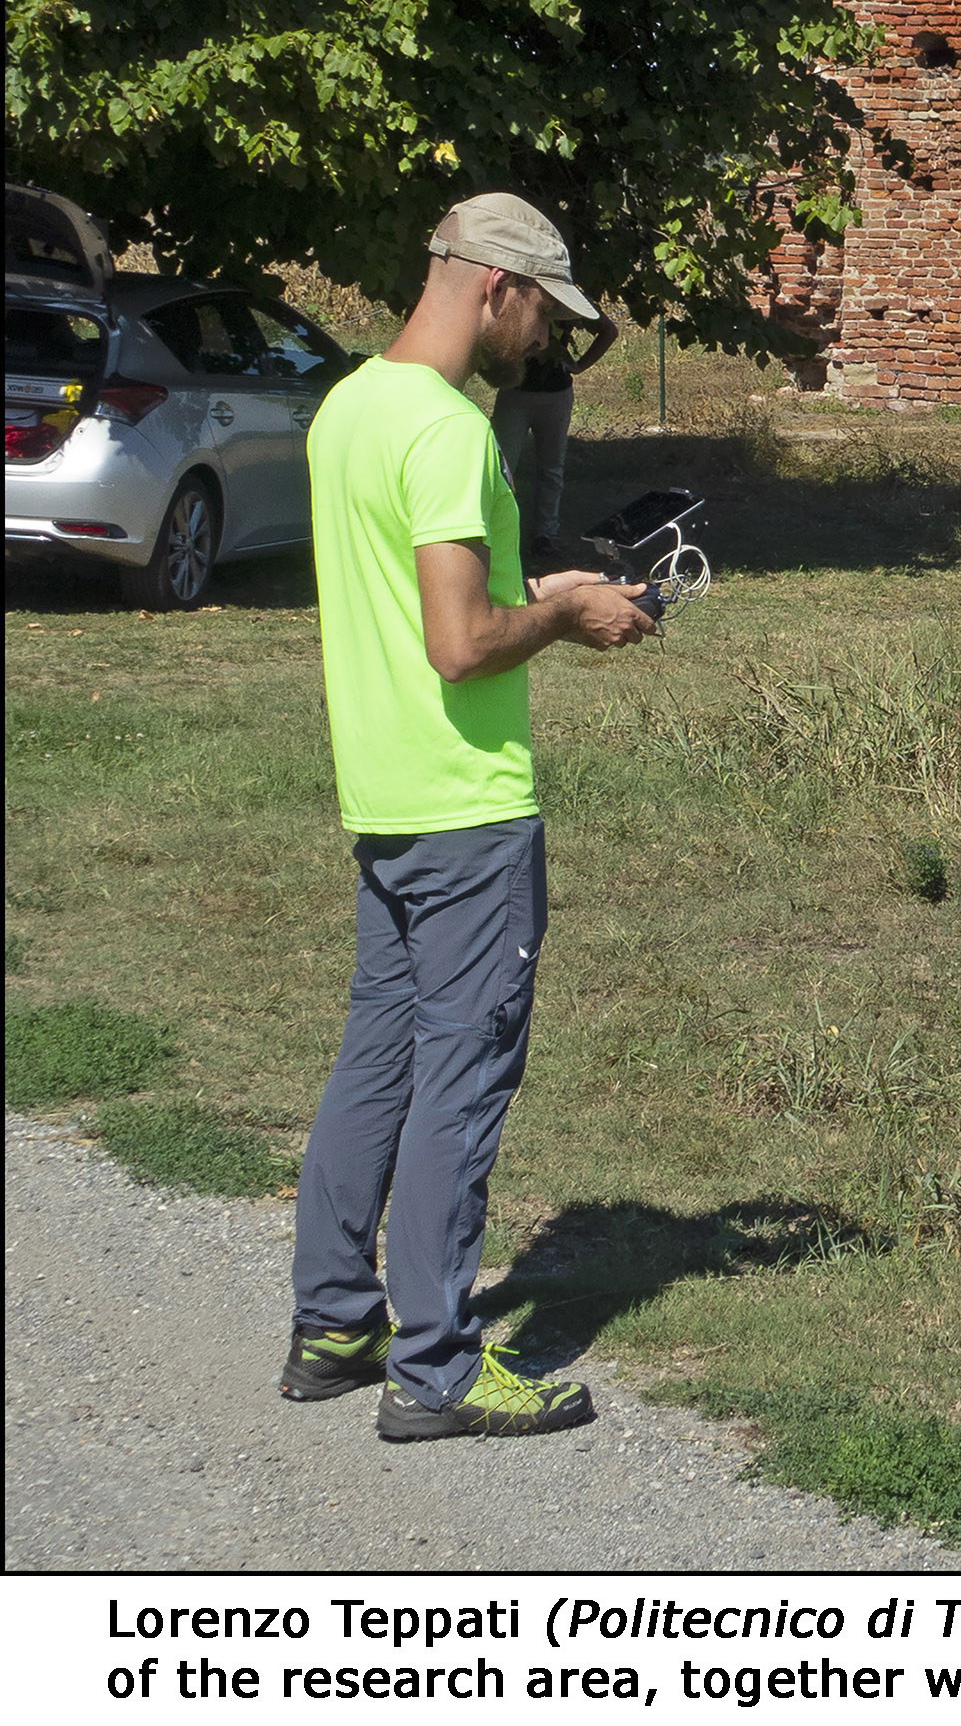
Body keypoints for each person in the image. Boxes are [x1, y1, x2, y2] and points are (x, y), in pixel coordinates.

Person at [281, 193, 659, 1441]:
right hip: (467, 811)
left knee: (375, 1062)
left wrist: (541, 584)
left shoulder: (352, 409)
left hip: (384, 796)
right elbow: (461, 645)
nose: (546, 340)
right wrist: (563, 619)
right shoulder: (447, 431)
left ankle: (336, 1321)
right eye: (546, 312)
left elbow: (427, 594)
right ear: (496, 284)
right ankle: (437, 1368)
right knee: (462, 1075)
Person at [492, 304, 617, 568]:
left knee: (551, 468)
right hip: (514, 392)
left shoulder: (566, 299)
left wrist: (579, 366)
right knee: (503, 468)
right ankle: (499, 535)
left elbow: (608, 331)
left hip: (556, 393)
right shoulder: (518, 294)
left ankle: (544, 537)